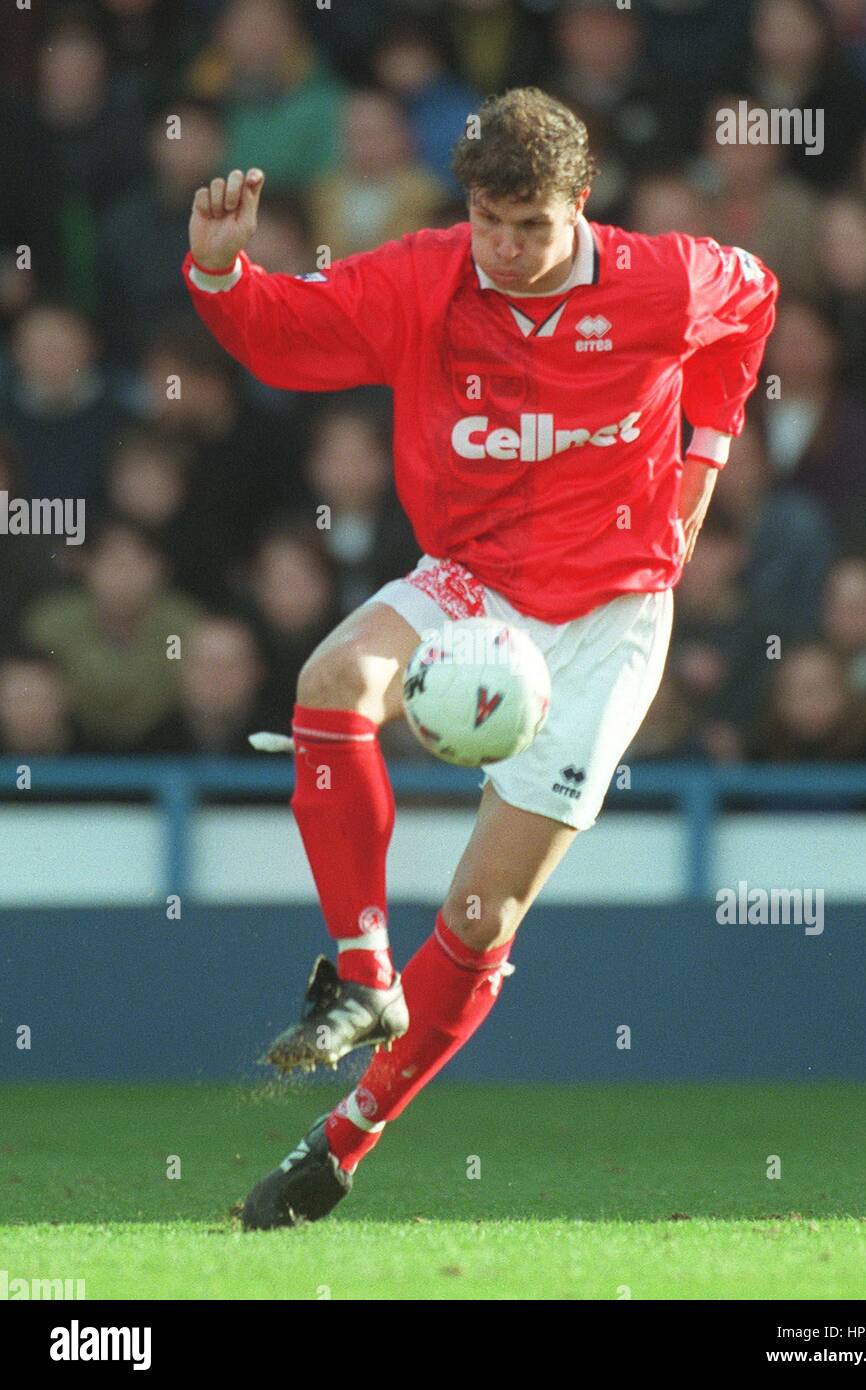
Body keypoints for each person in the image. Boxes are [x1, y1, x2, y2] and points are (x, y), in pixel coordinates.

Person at [182, 87, 778, 1228]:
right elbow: (287, 338)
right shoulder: (425, 275)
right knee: (330, 683)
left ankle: (346, 1138)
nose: (503, 251)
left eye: (530, 227)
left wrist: (704, 455)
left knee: (481, 920)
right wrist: (221, 276)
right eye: (487, 222)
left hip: (612, 614)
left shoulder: (666, 279)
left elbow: (756, 302)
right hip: (477, 575)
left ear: (581, 208)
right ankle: (361, 975)